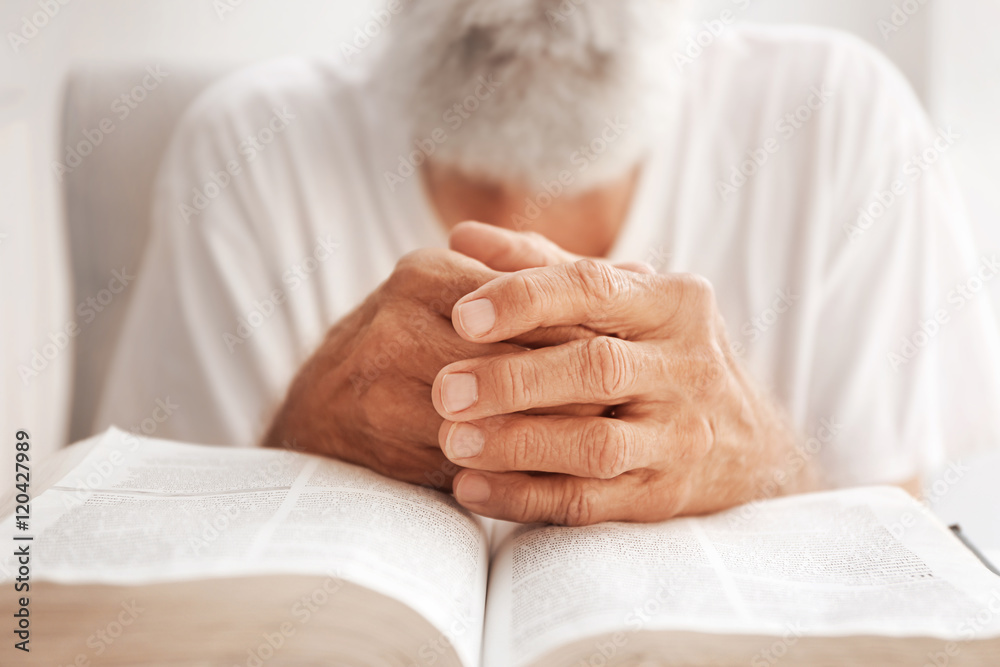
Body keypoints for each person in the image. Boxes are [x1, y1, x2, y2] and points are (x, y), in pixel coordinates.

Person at [95, 0, 1000, 525]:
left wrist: (752, 462)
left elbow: (890, 597)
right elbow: (151, 580)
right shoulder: (251, 149)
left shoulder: (840, 122)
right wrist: (302, 438)